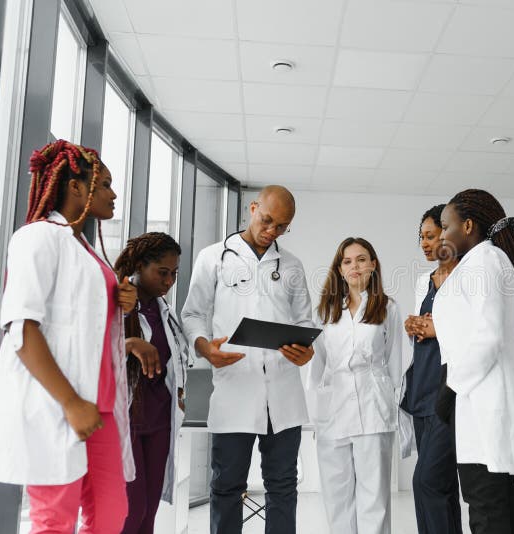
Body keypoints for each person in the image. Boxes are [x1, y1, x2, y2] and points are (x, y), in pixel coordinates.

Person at [0, 140, 137, 533]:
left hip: (100, 407)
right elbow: (21, 328)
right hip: (61, 405)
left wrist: (125, 303)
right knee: (55, 521)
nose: (113, 193)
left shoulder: (82, 247)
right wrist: (69, 402)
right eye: (104, 184)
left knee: (110, 514)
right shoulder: (37, 238)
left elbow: (85, 323)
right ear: (76, 187)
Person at [181, 185, 313, 534]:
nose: (272, 231)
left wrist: (306, 350)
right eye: (267, 220)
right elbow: (192, 313)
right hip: (235, 388)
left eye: (282, 226)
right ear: (253, 208)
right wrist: (204, 346)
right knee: (226, 487)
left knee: (283, 486)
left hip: (283, 394)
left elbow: (304, 322)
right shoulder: (213, 257)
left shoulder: (292, 266)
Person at [432, 189, 514, 534]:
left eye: (445, 226)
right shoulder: (482, 262)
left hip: (484, 395)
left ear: (467, 225)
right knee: (499, 500)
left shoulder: (485, 261)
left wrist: (450, 388)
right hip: (483, 392)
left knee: (486, 503)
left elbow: (487, 336)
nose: (441, 234)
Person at [308, 237, 403, 534]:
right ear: (339, 268)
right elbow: (316, 369)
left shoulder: (388, 308)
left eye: (361, 259)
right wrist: (315, 415)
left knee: (374, 498)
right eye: (347, 261)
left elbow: (397, 364)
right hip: (332, 411)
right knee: (337, 498)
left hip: (374, 409)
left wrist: (396, 408)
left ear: (373, 265)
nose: (355, 266)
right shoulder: (325, 311)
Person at [114, 232, 189, 534]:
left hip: (160, 420)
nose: (169, 281)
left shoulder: (163, 311)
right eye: (162, 272)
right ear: (141, 266)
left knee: (149, 513)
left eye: (174, 273)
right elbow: (89, 351)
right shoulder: (117, 301)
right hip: (127, 420)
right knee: (130, 512)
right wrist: (129, 342)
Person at [399, 205, 463, 534]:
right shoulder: (425, 280)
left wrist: (435, 328)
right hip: (420, 390)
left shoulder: (467, 277)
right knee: (442, 486)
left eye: (430, 235)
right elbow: (426, 325)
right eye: (421, 237)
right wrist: (415, 324)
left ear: (448, 234)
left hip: (446, 392)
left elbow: (467, 329)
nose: (424, 243)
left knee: (426, 481)